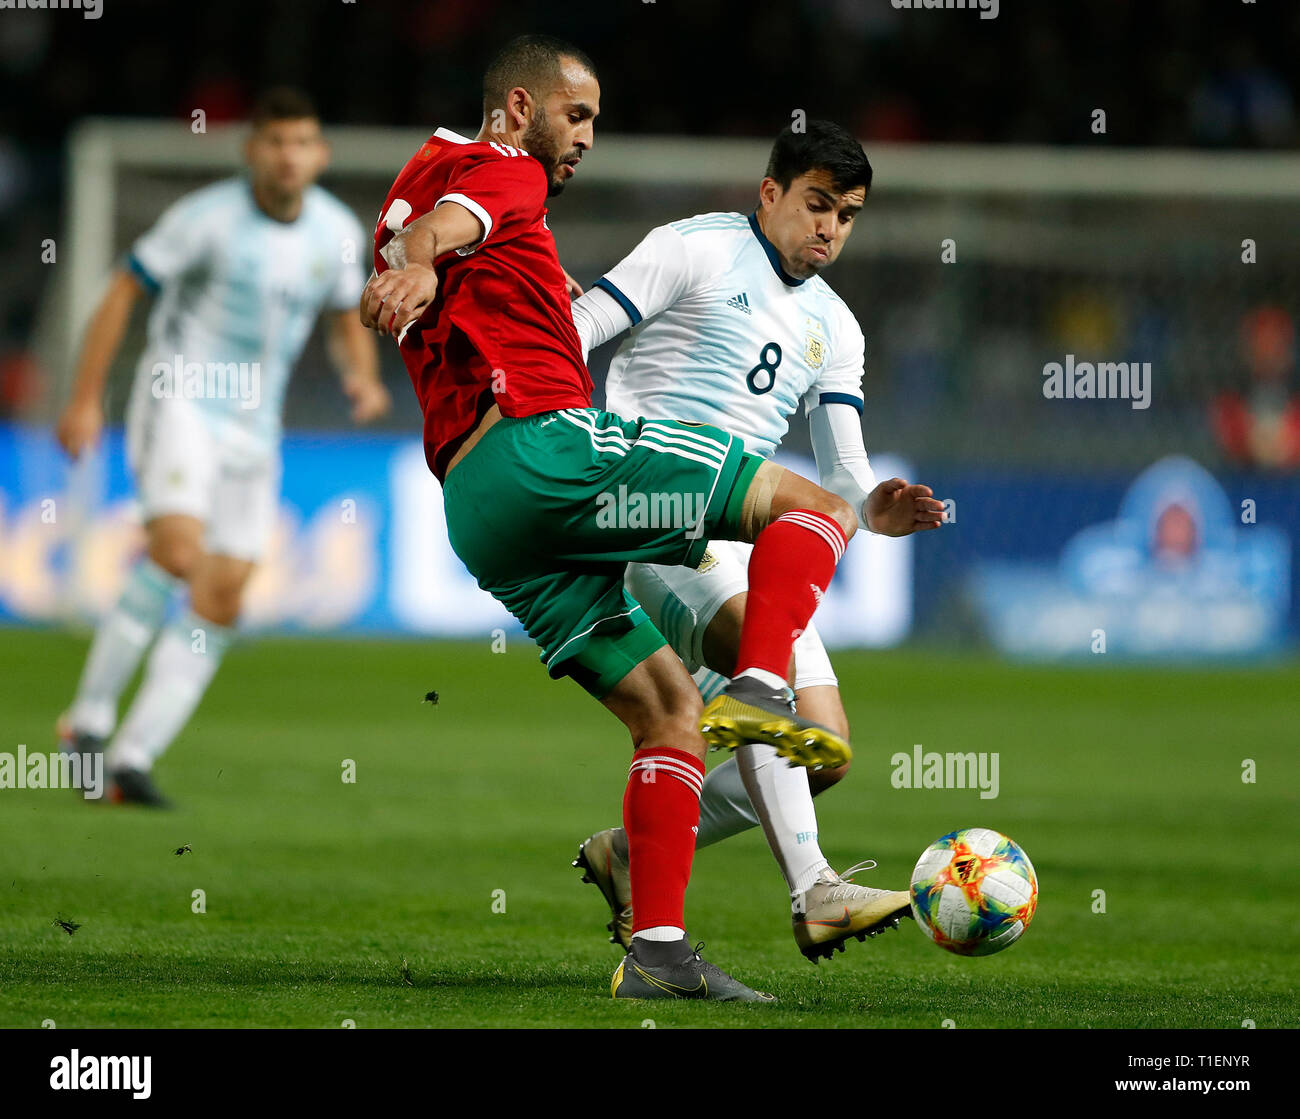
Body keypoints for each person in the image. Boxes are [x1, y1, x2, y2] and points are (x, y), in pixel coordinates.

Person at [361, 35, 938, 1002]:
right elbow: (461, 230)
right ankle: (809, 866)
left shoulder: (422, 179)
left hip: (486, 505)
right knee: (806, 525)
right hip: (561, 454)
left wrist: (876, 504)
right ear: (515, 110)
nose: (586, 136)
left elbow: (433, 239)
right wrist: (425, 260)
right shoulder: (513, 174)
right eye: (575, 115)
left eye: (849, 215)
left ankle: (659, 947)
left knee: (678, 714)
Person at [569, 121, 943, 961]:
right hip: (650, 509)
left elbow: (842, 471)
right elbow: (581, 325)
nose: (829, 229)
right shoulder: (692, 249)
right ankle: (815, 890)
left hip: (748, 525)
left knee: (826, 745)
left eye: (847, 215)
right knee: (756, 686)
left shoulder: (836, 326)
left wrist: (873, 504)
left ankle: (629, 851)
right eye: (816, 206)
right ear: (769, 193)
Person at [55, 87, 390, 807]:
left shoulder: (334, 229)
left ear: (320, 154)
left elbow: (344, 314)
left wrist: (361, 378)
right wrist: (83, 397)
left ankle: (129, 759)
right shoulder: (204, 219)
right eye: (276, 142)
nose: (289, 156)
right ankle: (86, 720)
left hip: (254, 424)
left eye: (302, 143)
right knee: (179, 554)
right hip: (180, 397)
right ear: (251, 151)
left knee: (224, 595)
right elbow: (121, 292)